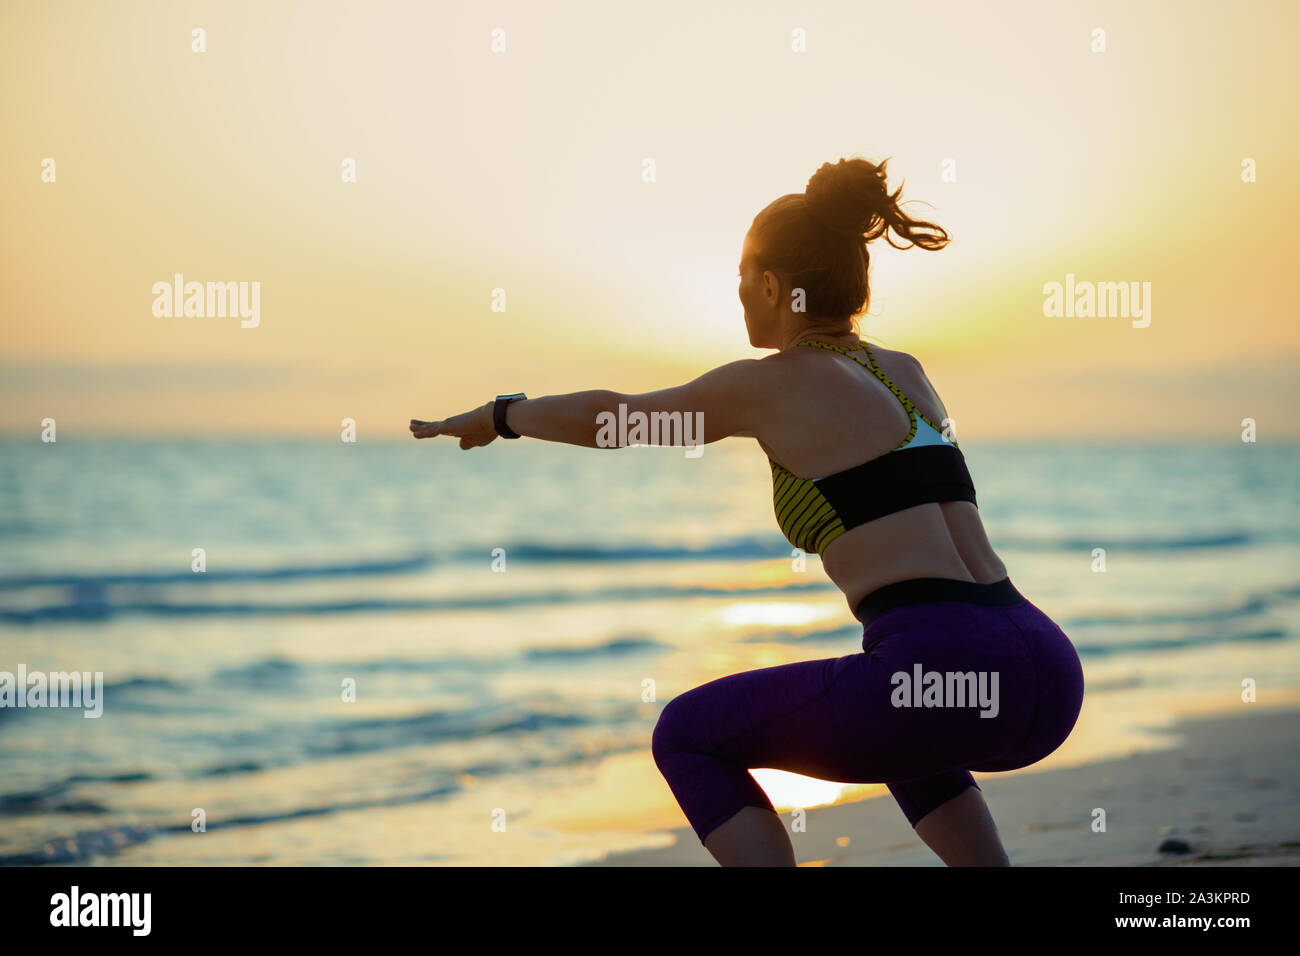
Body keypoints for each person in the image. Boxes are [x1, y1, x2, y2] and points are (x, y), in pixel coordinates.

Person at [410, 156, 1085, 866]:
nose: (736, 296)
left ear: (772, 285)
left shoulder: (774, 386)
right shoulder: (910, 373)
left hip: (945, 667)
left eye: (741, 279)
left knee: (686, 733)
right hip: (1042, 667)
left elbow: (618, 420)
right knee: (895, 710)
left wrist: (503, 414)